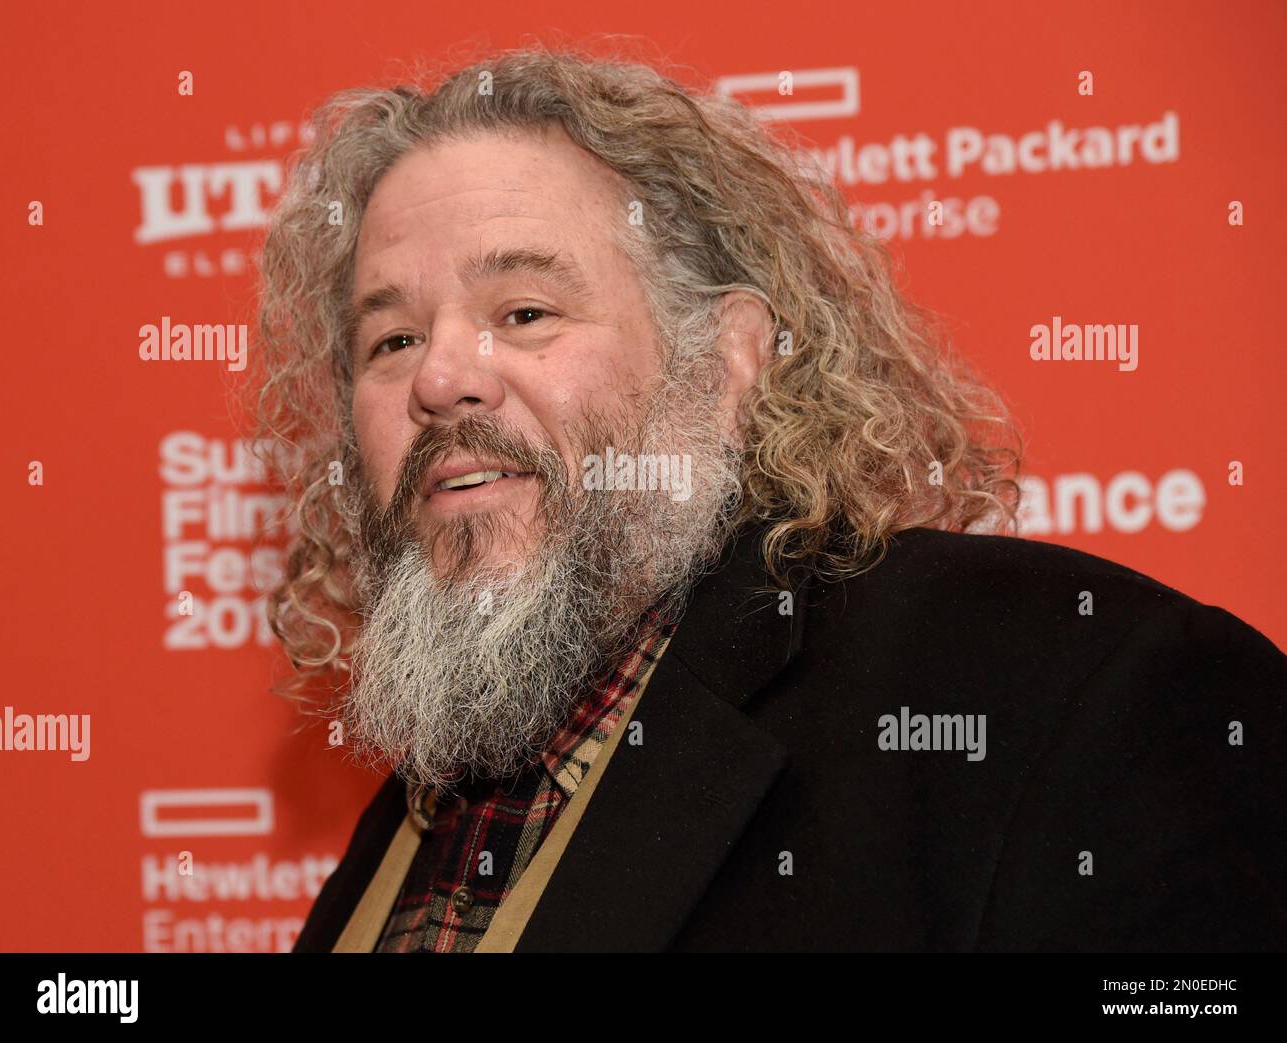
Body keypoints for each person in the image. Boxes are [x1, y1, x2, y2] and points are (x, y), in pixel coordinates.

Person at [248, 46, 1286, 952]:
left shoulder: (1071, 687)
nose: (439, 379)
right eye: (390, 340)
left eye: (522, 310)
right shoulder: (425, 808)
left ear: (727, 362)